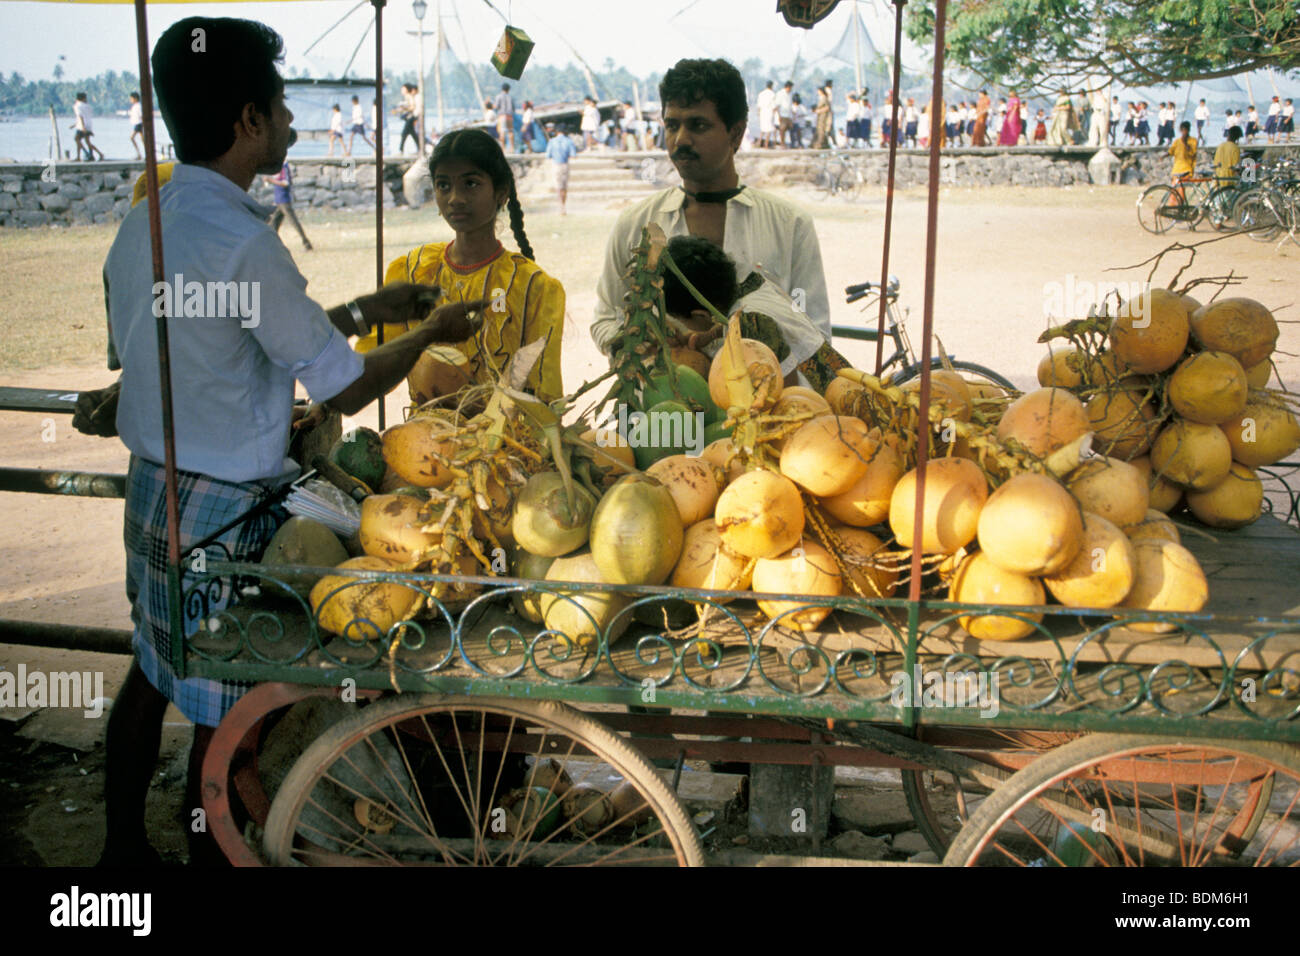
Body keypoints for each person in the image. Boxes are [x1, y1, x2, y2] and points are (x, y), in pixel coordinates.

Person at [95, 16, 483, 867]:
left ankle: (121, 847)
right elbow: (341, 385)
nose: (295, 125)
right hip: (223, 514)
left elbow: (197, 339)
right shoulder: (245, 243)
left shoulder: (146, 221)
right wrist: (425, 336)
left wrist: (360, 314)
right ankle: (211, 854)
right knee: (220, 703)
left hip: (154, 487)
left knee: (152, 667)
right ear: (246, 121)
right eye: (280, 108)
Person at [591, 58, 831, 387]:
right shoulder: (637, 226)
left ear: (736, 133)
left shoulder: (789, 225)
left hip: (764, 421)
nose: (680, 140)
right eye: (672, 125)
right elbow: (605, 316)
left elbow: (814, 333)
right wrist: (640, 342)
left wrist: (756, 335)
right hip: (664, 423)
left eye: (698, 125)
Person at [358, 128, 564, 401]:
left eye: (471, 184)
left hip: (507, 441)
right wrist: (327, 404)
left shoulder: (535, 288)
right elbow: (371, 365)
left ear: (501, 193)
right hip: (422, 439)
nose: (455, 198)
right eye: (444, 185)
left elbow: (543, 395)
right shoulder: (411, 272)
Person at [265, 161, 311, 250]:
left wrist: (270, 180)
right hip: (279, 200)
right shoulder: (279, 167)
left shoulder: (283, 167)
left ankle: (306, 243)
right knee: (273, 223)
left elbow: (285, 183)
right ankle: (271, 244)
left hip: (284, 200)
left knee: (293, 222)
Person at [544, 122, 578, 215]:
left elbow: (548, 155)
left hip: (556, 165)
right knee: (564, 186)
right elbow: (573, 155)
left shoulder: (552, 141)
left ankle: (561, 206)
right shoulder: (569, 141)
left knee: (558, 187)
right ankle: (563, 205)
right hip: (565, 164)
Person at [72, 92, 106, 161]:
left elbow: (80, 116)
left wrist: (82, 127)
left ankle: (85, 153)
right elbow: (86, 116)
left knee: (77, 139)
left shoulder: (77, 106)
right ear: (84, 98)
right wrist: (74, 125)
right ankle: (99, 154)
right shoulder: (88, 106)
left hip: (82, 126)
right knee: (87, 142)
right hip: (89, 125)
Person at [396, 84, 419, 154]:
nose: (402, 90)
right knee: (413, 134)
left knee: (404, 133)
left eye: (403, 89)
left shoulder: (409, 96)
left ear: (406, 89)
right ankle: (420, 148)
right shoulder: (406, 97)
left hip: (410, 118)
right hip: (408, 118)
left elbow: (413, 107)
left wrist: (404, 108)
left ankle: (401, 150)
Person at [493, 83, 515, 151]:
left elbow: (496, 107)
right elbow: (513, 108)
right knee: (510, 131)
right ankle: (512, 148)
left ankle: (503, 148)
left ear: (502, 88)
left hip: (502, 116)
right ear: (508, 89)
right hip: (509, 116)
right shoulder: (510, 97)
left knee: (502, 132)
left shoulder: (498, 96)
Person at [812, 81, 832, 148]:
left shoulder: (824, 98)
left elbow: (827, 108)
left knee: (821, 130)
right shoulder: (821, 98)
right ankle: (824, 144)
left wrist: (819, 111)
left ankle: (820, 144)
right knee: (819, 130)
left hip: (823, 117)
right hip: (820, 116)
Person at [774, 80, 793, 147]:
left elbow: (790, 105)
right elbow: (777, 106)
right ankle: (782, 143)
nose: (791, 89)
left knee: (788, 129)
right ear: (787, 87)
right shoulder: (780, 93)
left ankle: (786, 143)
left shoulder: (790, 94)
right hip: (782, 114)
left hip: (788, 115)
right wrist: (779, 115)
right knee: (782, 130)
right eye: (790, 88)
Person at [757, 80, 776, 148]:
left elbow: (758, 106)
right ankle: (766, 144)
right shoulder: (772, 94)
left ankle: (759, 143)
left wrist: (758, 113)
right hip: (769, 112)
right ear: (771, 86)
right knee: (769, 129)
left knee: (762, 128)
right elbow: (774, 106)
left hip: (762, 112)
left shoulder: (761, 93)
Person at [128, 92, 144, 160]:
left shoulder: (138, 106)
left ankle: (139, 154)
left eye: (131, 99)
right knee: (143, 139)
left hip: (139, 124)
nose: (130, 100)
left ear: (135, 99)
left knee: (132, 138)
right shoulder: (135, 106)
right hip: (137, 124)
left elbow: (141, 116)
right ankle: (140, 154)